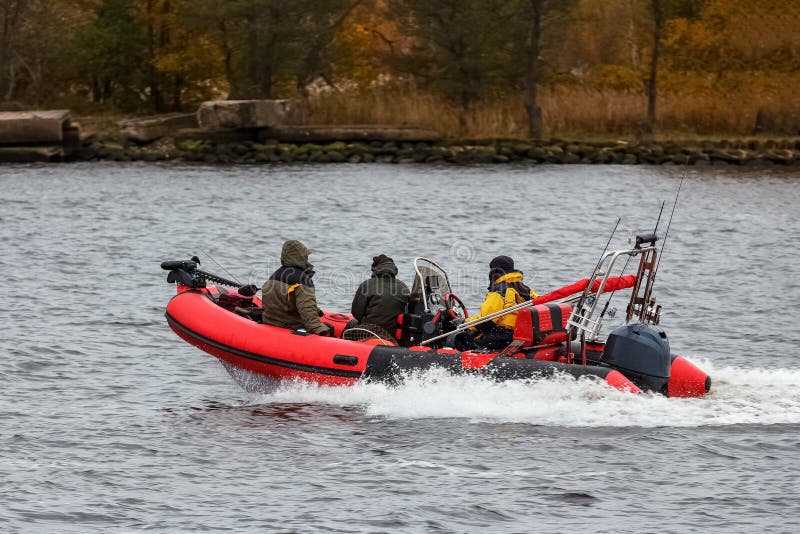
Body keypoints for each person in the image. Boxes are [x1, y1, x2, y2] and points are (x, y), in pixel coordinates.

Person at [464, 255, 539, 349]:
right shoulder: (526, 289)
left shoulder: (498, 290)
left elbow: (487, 321)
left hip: (504, 336)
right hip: (522, 334)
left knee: (463, 339)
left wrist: (465, 323)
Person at [262, 240, 333, 336]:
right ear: (302, 258)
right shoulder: (302, 280)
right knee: (329, 327)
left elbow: (285, 301)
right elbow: (307, 309)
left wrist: (317, 310)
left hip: (269, 322)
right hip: (290, 327)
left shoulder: (274, 275)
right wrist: (318, 329)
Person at [351, 254, 410, 333]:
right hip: (393, 333)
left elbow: (356, 313)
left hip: (369, 331)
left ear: (375, 269)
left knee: (350, 324)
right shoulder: (404, 287)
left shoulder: (367, 285)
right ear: (394, 269)